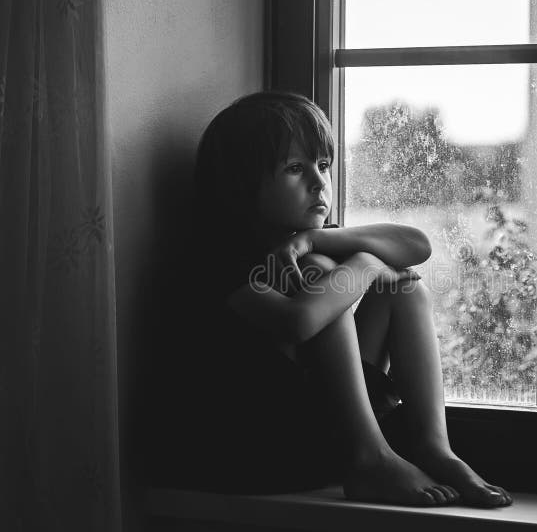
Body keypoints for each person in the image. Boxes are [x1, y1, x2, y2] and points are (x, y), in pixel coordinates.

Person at [187, 91, 513, 508]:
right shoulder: (224, 256)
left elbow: (417, 245)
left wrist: (318, 237)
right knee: (323, 274)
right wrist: (366, 264)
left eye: (322, 166)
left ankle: (433, 448)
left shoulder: (315, 242)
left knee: (405, 288)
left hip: (326, 432)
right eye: (294, 168)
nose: (319, 182)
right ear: (241, 185)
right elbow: (297, 322)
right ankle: (371, 456)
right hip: (264, 450)